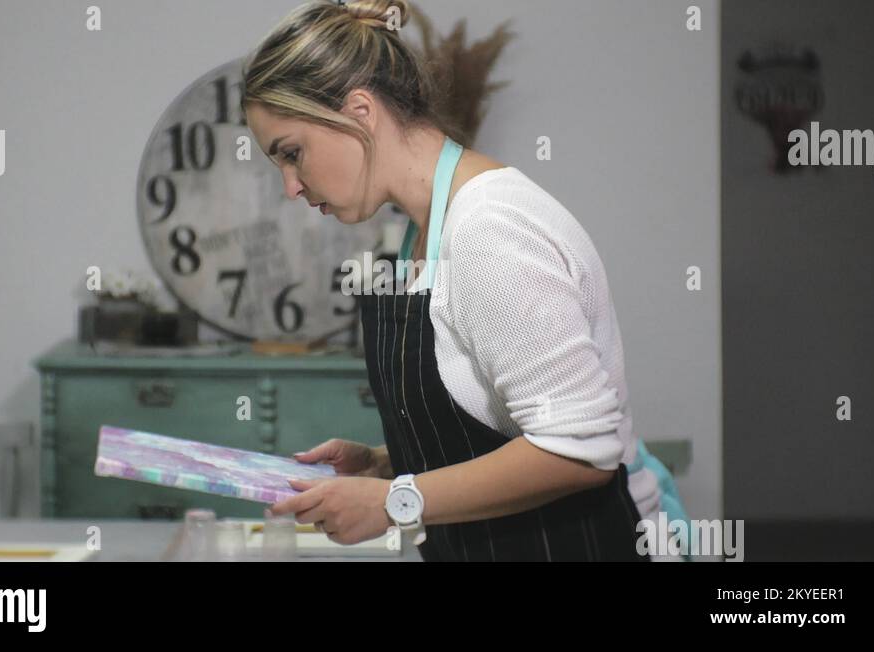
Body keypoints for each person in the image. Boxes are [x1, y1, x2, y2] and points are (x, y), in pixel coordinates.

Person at [243, 0, 682, 561]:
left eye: (292, 153)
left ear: (359, 111)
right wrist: (383, 463)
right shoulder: (423, 232)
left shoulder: (488, 230)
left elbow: (582, 449)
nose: (291, 187)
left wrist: (395, 499)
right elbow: (492, 422)